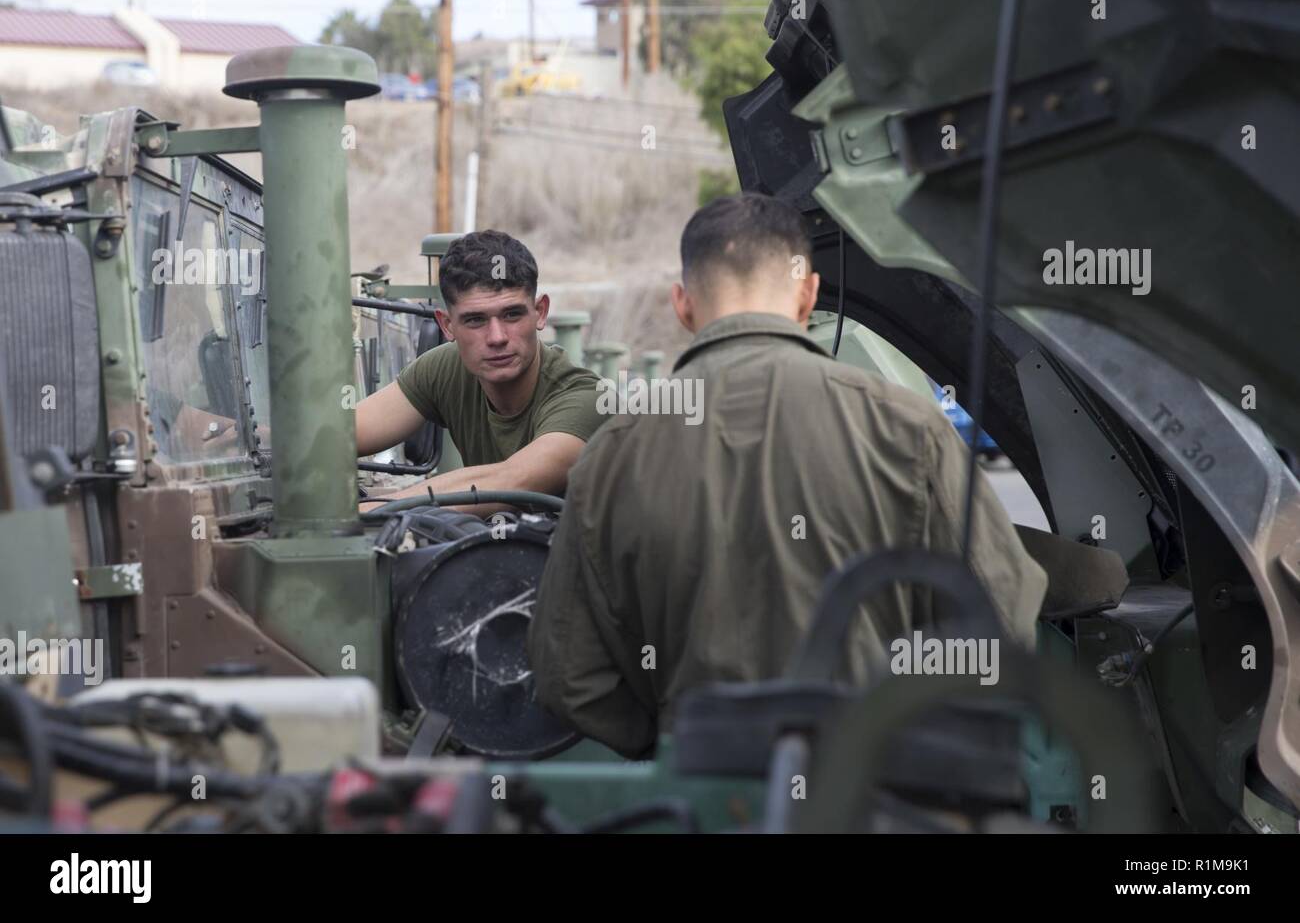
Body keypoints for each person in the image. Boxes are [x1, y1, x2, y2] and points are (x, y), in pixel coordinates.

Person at [527, 192, 1048, 758]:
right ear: (808, 295)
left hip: (704, 796)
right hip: (877, 794)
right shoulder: (906, 426)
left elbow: (568, 674)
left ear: (682, 305)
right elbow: (1003, 615)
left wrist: (678, 742)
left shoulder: (611, 454)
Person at [356, 230, 605, 511]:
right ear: (447, 325)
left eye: (512, 314)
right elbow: (342, 436)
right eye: (476, 320)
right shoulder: (445, 368)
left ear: (540, 312)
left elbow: (513, 480)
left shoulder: (586, 398)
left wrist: (368, 512)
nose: (497, 337)